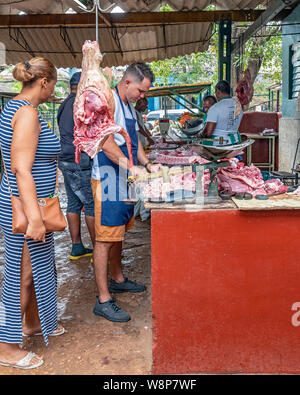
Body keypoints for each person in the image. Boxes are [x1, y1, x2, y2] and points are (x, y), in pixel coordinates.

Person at [0, 57, 65, 370]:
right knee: (21, 275)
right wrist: (36, 219)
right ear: (44, 82)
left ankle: (33, 323)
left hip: (28, 200)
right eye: (53, 85)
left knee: (37, 266)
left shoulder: (15, 108)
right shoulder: (26, 114)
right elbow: (21, 169)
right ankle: (6, 346)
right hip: (26, 204)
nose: (54, 91)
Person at [91, 62, 161, 322]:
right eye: (141, 91)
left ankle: (118, 278)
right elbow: (107, 144)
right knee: (104, 237)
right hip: (108, 176)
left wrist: (147, 164)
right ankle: (103, 299)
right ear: (127, 82)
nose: (143, 96)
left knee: (118, 232)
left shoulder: (129, 106)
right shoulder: (107, 102)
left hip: (123, 177)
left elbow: (134, 142)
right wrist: (132, 167)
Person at [57, 72, 95, 260]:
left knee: (74, 202)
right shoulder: (80, 105)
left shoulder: (64, 104)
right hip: (79, 160)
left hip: (65, 159)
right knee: (90, 204)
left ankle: (77, 246)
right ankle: (100, 249)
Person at [199, 80, 243, 146]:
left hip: (218, 145)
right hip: (235, 142)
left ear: (217, 91)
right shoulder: (239, 106)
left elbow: (208, 133)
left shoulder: (215, 108)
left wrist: (200, 135)